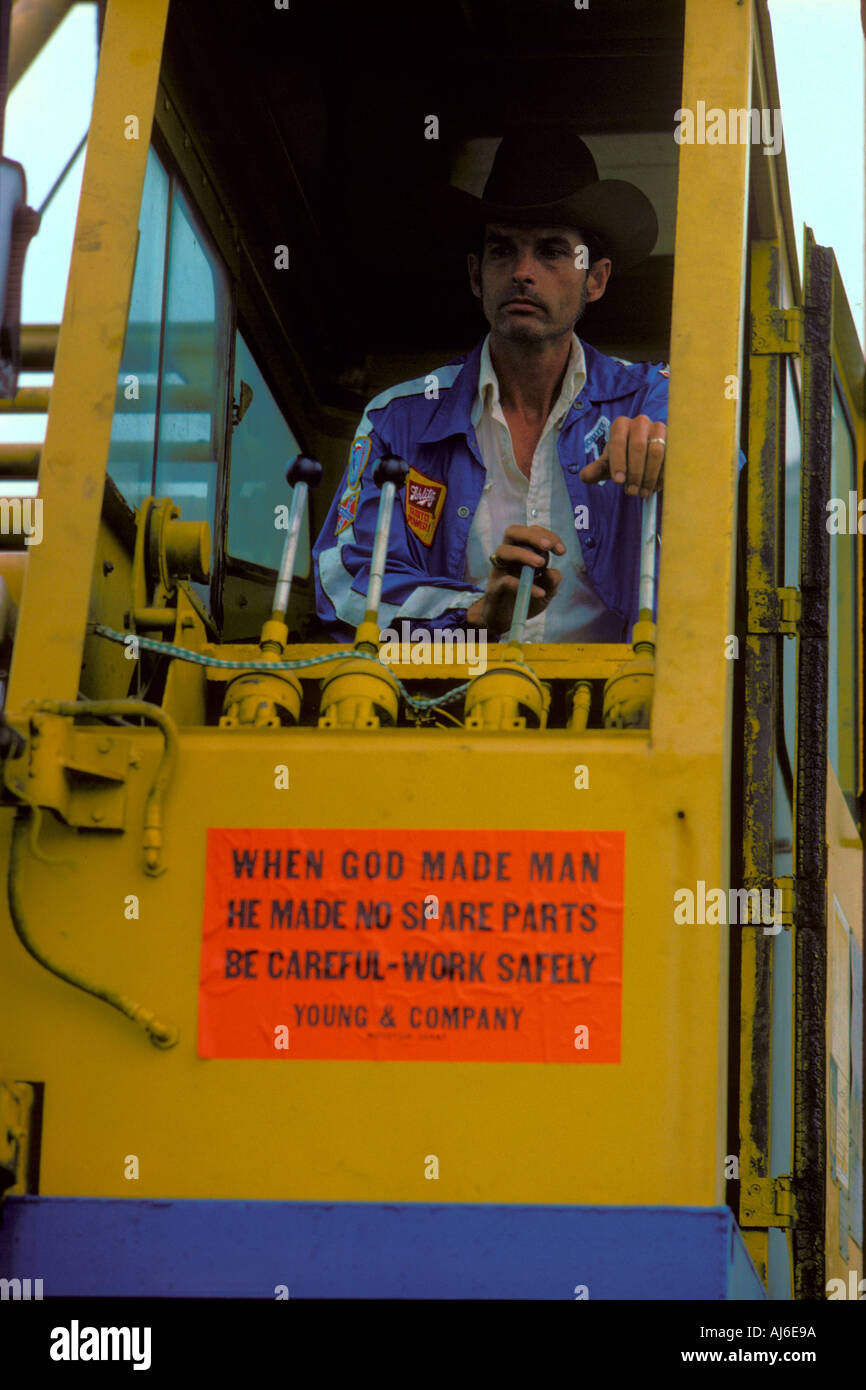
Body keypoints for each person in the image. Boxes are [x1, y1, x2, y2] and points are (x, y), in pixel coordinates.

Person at [313, 127, 669, 643]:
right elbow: (342, 581)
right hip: (448, 713)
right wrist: (477, 614)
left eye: (551, 251)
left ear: (596, 278)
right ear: (477, 276)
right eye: (503, 251)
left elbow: (720, 453)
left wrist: (671, 447)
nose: (523, 272)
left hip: (620, 713)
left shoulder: (652, 396)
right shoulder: (397, 419)